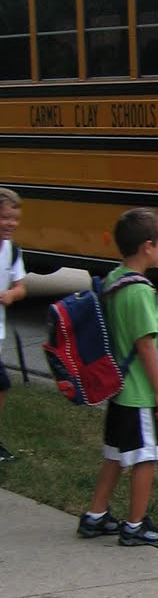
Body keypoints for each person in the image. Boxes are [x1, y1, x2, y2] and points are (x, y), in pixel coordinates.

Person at [78, 207, 158, 547]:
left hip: (119, 389)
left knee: (115, 455)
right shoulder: (140, 291)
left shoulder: (113, 279)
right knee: (145, 458)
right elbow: (146, 347)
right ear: (147, 246)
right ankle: (135, 525)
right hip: (138, 392)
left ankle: (96, 515)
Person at [0, 186, 27, 463]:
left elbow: (21, 287)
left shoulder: (12, 250)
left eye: (15, 219)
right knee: (2, 382)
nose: (11, 224)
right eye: (5, 218)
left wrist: (11, 294)